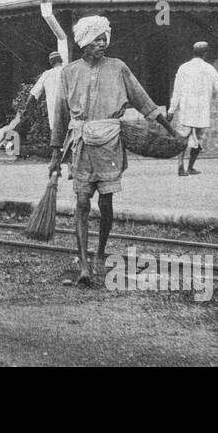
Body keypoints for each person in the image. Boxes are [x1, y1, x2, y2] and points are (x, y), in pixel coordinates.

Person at [48, 16, 171, 285]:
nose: (103, 43)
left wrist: (168, 128)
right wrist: (56, 151)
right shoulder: (69, 73)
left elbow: (142, 99)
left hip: (110, 146)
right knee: (81, 203)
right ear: (84, 43)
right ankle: (83, 263)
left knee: (106, 203)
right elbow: (60, 113)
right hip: (81, 145)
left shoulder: (118, 68)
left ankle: (100, 252)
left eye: (105, 38)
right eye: (97, 39)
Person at [169, 41, 218, 176]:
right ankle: (190, 167)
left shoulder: (183, 68)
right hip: (201, 110)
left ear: (193, 52)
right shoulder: (208, 68)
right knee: (198, 138)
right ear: (205, 53)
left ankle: (180, 166)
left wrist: (171, 110)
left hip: (186, 108)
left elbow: (176, 90)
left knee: (183, 137)